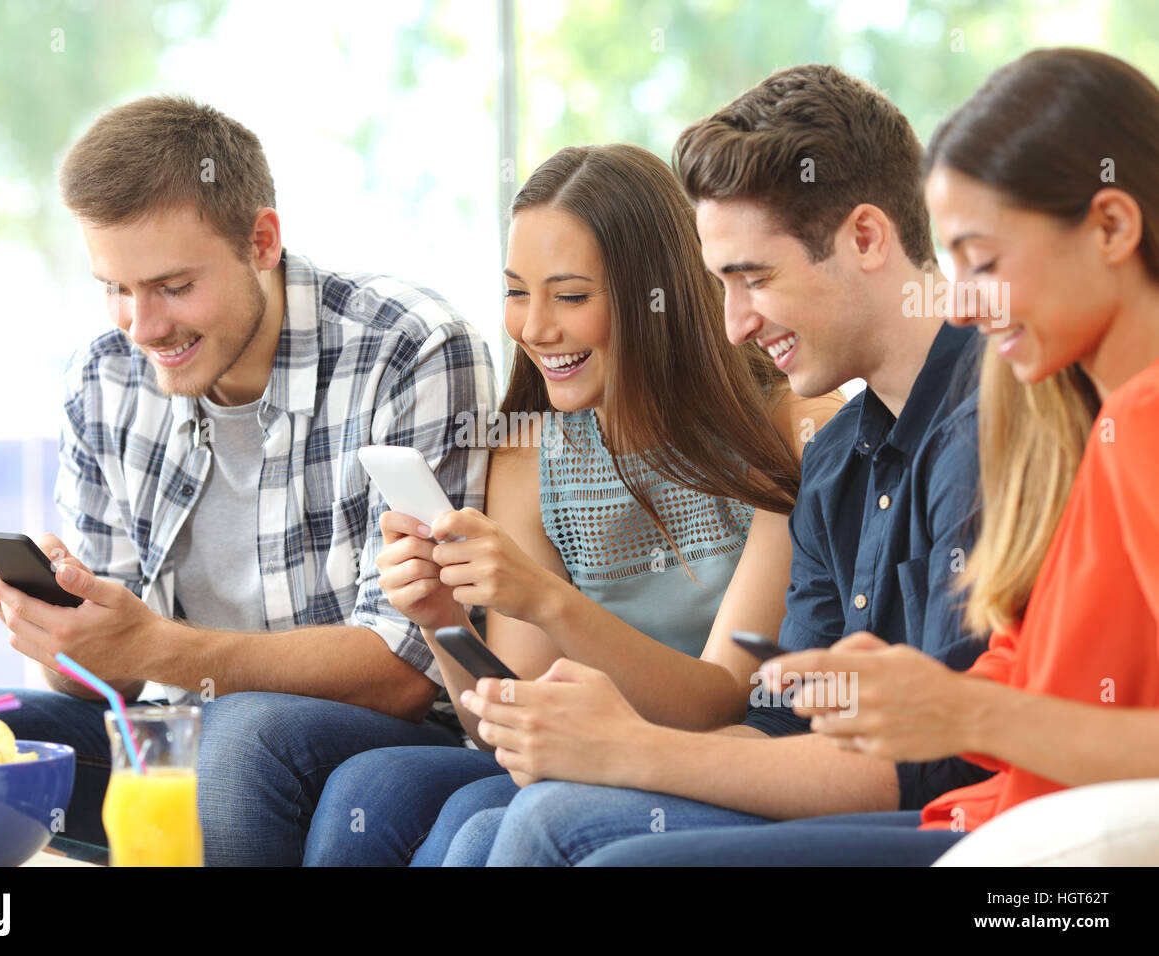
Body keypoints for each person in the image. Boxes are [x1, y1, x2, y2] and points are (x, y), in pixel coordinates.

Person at [581, 46, 1159, 866]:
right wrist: (927, 701)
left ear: (1111, 227)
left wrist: (957, 713)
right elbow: (1013, 677)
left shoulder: (1111, 421)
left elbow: (964, 742)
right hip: (991, 823)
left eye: (985, 264)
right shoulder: (1078, 422)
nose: (959, 300)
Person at [447, 63, 994, 866]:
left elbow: (935, 762)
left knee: (556, 827)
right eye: (720, 284)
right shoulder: (837, 457)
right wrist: (616, 745)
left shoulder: (992, 424)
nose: (733, 325)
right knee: (507, 817)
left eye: (755, 279)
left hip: (966, 828)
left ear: (867, 239)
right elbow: (773, 721)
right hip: (846, 795)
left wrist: (633, 752)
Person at [0, 94, 497, 864]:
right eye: (116, 288)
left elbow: (404, 670)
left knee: (238, 734)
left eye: (174, 287)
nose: (143, 327)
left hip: (355, 740)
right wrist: (58, 629)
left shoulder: (408, 349)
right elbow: (104, 681)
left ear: (263, 241)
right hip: (174, 734)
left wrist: (156, 648)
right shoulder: (105, 377)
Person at [301, 143, 845, 866]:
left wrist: (547, 600)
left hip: (725, 758)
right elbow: (504, 722)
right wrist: (441, 622)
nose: (532, 328)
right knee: (376, 787)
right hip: (587, 757)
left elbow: (719, 702)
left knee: (480, 826)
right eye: (517, 291)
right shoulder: (532, 453)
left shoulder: (787, 429)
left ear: (659, 298)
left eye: (570, 296)